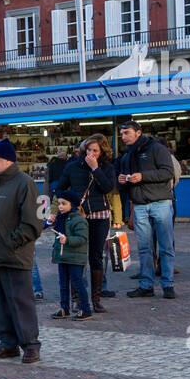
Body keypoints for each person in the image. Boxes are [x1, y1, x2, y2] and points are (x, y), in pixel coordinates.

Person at [0, 139, 42, 364]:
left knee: (19, 301)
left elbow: (33, 223)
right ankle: (8, 343)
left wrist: (12, 242)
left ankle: (30, 344)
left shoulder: (25, 183)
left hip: (14, 255)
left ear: (7, 160)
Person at [56, 133, 117, 313]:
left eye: (95, 151)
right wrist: (71, 203)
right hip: (78, 217)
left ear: (101, 152)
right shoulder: (73, 167)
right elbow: (60, 188)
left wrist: (96, 169)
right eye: (88, 150)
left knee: (96, 256)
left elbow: (107, 188)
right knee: (77, 256)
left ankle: (96, 299)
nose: (91, 153)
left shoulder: (107, 167)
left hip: (100, 216)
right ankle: (77, 299)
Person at [116, 120, 177, 299]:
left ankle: (168, 284)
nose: (123, 137)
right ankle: (146, 285)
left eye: (126, 133)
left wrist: (143, 176)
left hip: (161, 203)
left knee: (166, 246)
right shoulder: (127, 156)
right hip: (140, 205)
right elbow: (125, 186)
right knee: (144, 248)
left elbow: (168, 173)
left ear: (138, 133)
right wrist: (122, 181)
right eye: (121, 134)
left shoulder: (157, 149)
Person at [48, 192, 92, 321]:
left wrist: (67, 240)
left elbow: (82, 238)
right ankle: (64, 308)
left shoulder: (78, 220)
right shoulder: (62, 218)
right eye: (59, 203)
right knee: (63, 284)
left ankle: (86, 309)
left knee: (78, 283)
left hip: (76, 258)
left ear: (72, 204)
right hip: (63, 257)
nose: (60, 206)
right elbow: (58, 239)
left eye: (64, 204)